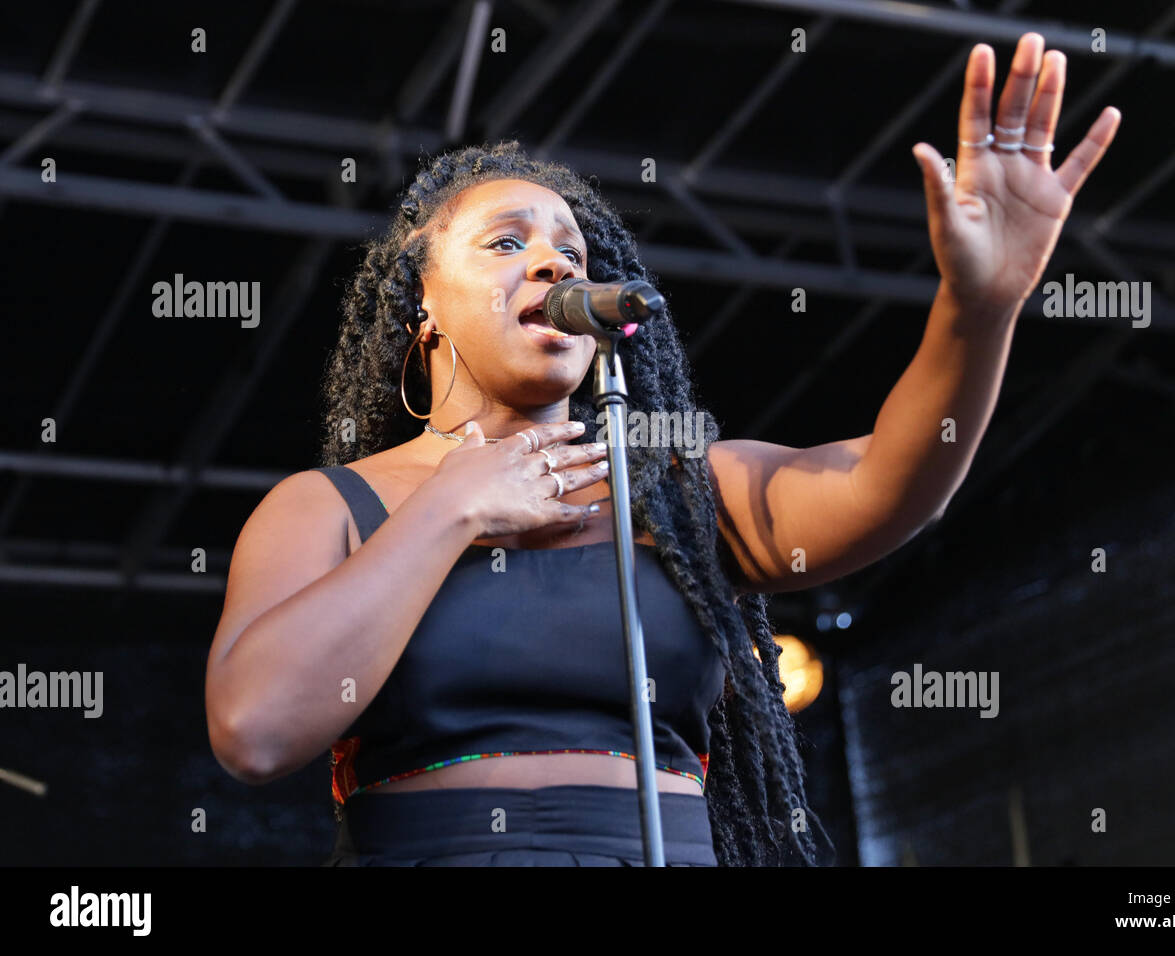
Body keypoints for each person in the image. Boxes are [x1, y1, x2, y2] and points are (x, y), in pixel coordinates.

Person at [204, 32, 1118, 866]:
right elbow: (255, 730)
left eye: (572, 250)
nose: (557, 265)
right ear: (424, 306)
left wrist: (981, 306)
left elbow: (890, 483)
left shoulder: (677, 493)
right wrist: (452, 506)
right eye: (506, 243)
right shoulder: (329, 507)